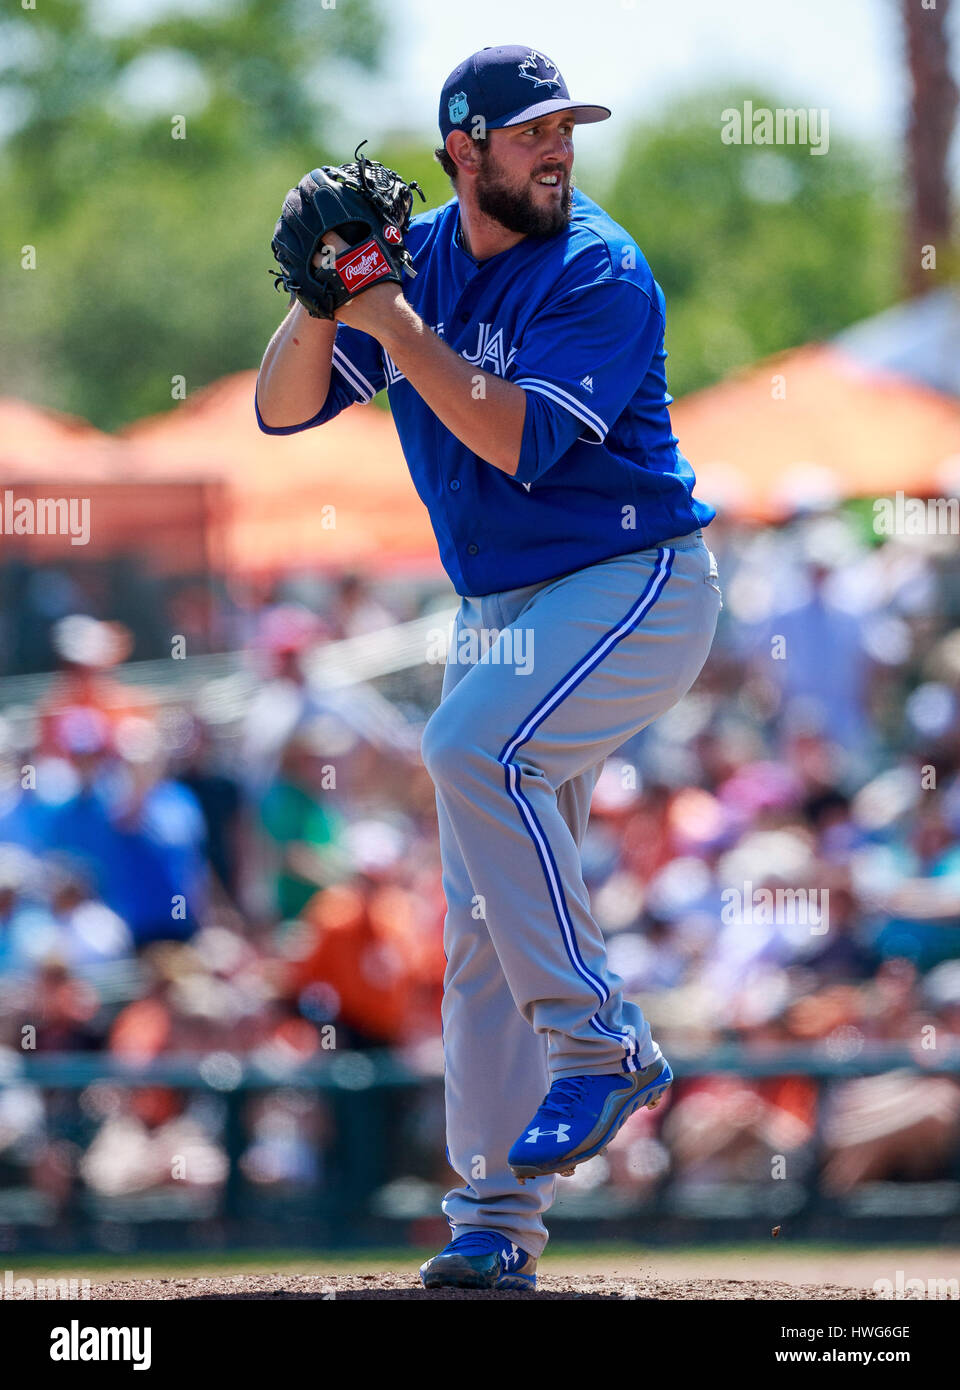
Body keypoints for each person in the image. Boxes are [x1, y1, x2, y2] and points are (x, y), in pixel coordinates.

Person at [256, 45, 720, 1292]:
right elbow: (281, 408)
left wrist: (386, 310)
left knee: (468, 747)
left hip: (634, 582)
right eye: (529, 134)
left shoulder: (600, 270)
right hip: (502, 607)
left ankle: (601, 1040)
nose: (556, 148)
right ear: (462, 150)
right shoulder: (428, 267)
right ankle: (494, 1225)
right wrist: (322, 300)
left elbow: (514, 440)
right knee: (474, 922)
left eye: (563, 128)